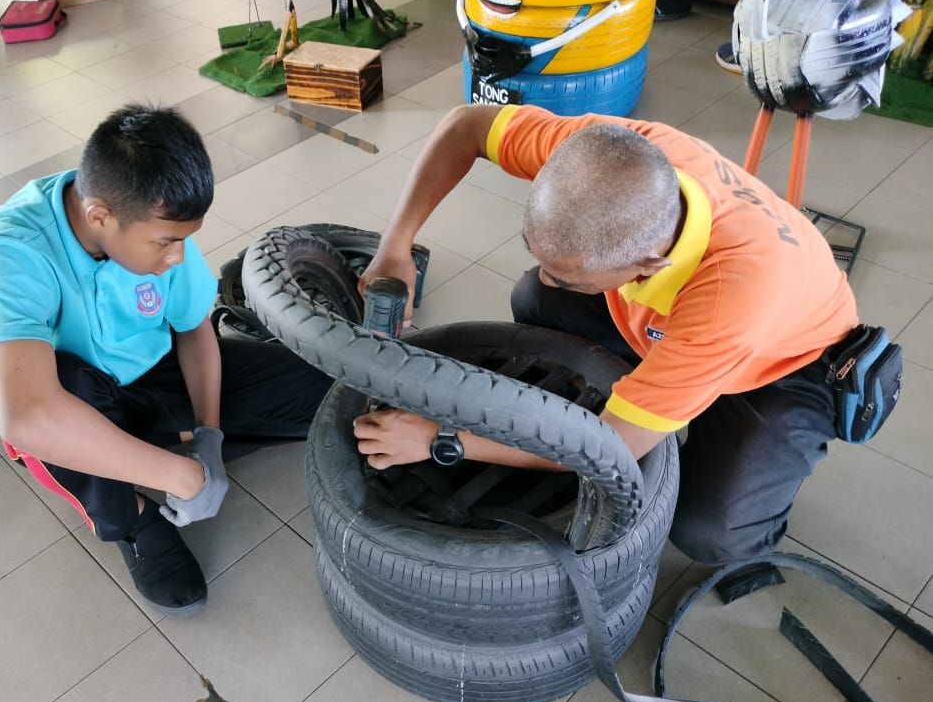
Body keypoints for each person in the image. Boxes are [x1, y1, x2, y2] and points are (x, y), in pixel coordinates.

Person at [354, 103, 857, 565]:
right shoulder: (608, 157)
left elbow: (609, 448)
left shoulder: (731, 298)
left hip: (785, 364)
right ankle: (651, 392)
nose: (548, 275)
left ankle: (746, 502)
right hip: (697, 320)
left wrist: (442, 439)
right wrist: (396, 245)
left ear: (646, 265)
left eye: (571, 276)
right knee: (535, 298)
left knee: (711, 533)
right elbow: (466, 125)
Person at [0, 104, 332, 613]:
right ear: (100, 217)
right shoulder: (10, 255)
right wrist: (185, 478)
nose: (177, 256)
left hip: (156, 374)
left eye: (184, 238)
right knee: (53, 402)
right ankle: (134, 519)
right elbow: (26, 414)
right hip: (83, 399)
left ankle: (170, 443)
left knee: (326, 390)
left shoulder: (150, 222)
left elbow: (194, 330)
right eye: (166, 242)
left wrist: (210, 433)